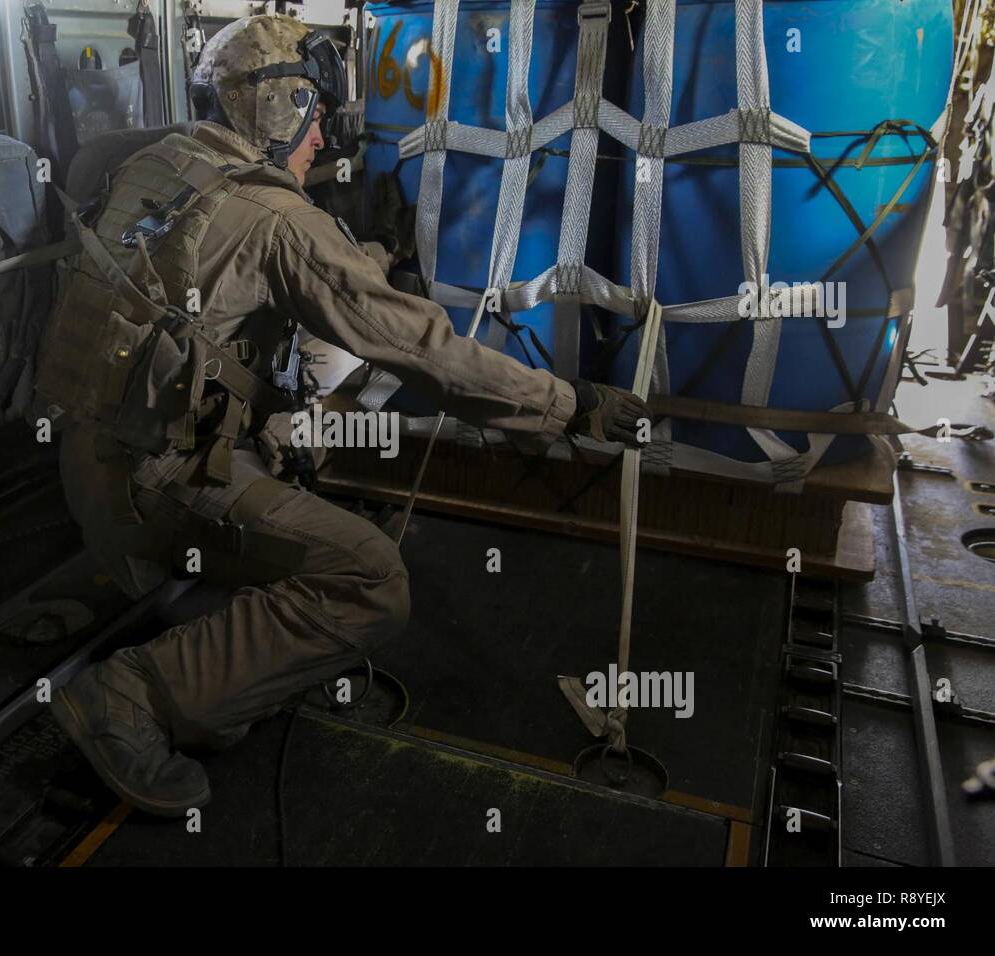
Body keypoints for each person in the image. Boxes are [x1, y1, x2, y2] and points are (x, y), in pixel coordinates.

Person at [44, 14, 650, 815]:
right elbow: (424, 351)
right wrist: (570, 405)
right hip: (156, 488)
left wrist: (356, 274)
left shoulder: (154, 165)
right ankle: (130, 697)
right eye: (314, 108)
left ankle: (208, 667)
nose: (321, 129)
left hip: (88, 467)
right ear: (277, 106)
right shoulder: (279, 221)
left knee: (292, 464)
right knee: (370, 579)